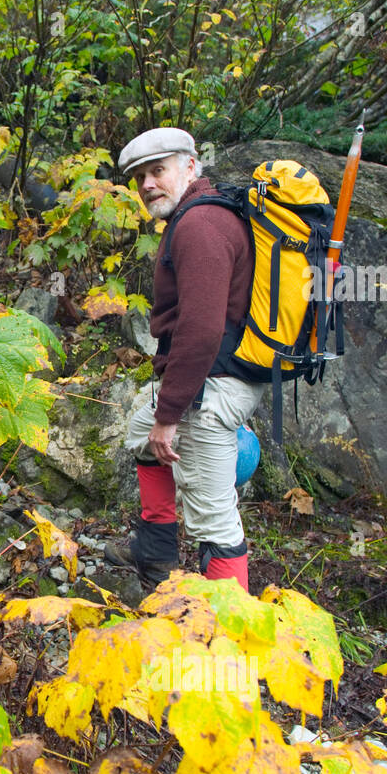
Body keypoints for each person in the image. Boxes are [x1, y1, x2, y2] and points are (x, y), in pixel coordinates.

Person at [105, 127, 266, 593]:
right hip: (204, 378)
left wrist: (170, 416)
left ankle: (227, 629)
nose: (148, 184)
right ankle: (155, 551)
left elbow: (200, 331)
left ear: (191, 167)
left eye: (158, 171)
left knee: (214, 518)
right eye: (140, 178)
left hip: (208, 390)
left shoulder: (199, 226)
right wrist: (158, 415)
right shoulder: (201, 215)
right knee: (140, 432)